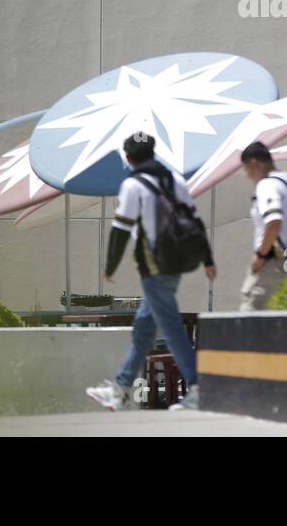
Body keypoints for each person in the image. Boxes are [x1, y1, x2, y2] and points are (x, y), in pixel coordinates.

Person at [86, 132, 215, 412]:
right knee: (144, 329)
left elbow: (121, 229)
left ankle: (199, 388)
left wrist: (109, 267)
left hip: (154, 266)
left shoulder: (133, 185)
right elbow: (194, 220)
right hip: (177, 263)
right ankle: (120, 389)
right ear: (153, 153)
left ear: (129, 159)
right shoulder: (174, 180)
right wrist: (208, 259)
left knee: (170, 327)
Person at [238, 141, 287, 311]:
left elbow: (274, 222)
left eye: (246, 169)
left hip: (273, 259)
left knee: (250, 309)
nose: (246, 174)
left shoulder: (267, 185)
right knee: (284, 312)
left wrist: (260, 255)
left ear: (254, 163)